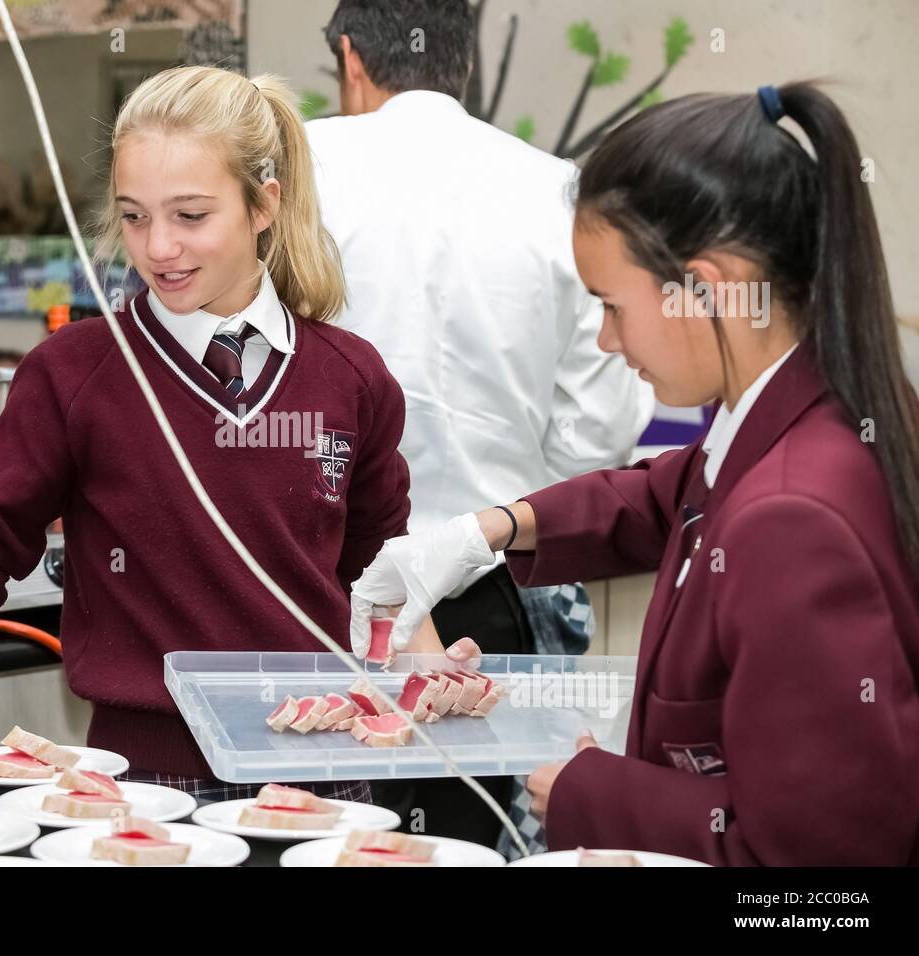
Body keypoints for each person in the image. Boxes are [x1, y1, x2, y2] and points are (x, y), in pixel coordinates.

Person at [0, 65, 429, 802]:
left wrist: (431, 664)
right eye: (134, 216)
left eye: (191, 215)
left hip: (323, 770)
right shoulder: (73, 374)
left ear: (265, 204)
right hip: (145, 786)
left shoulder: (349, 377)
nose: (158, 246)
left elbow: (381, 571)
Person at [351, 83, 919, 865]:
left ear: (706, 288)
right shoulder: (789, 414)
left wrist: (589, 791)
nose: (610, 343)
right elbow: (665, 495)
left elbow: (816, 874)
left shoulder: (794, 519)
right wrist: (478, 532)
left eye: (611, 308)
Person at [308, 0, 650, 846]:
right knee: (461, 847)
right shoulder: (562, 188)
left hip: (310, 586)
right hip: (490, 593)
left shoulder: (294, 169)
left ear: (351, 59)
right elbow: (599, 439)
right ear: (462, 60)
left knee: (309, 839)